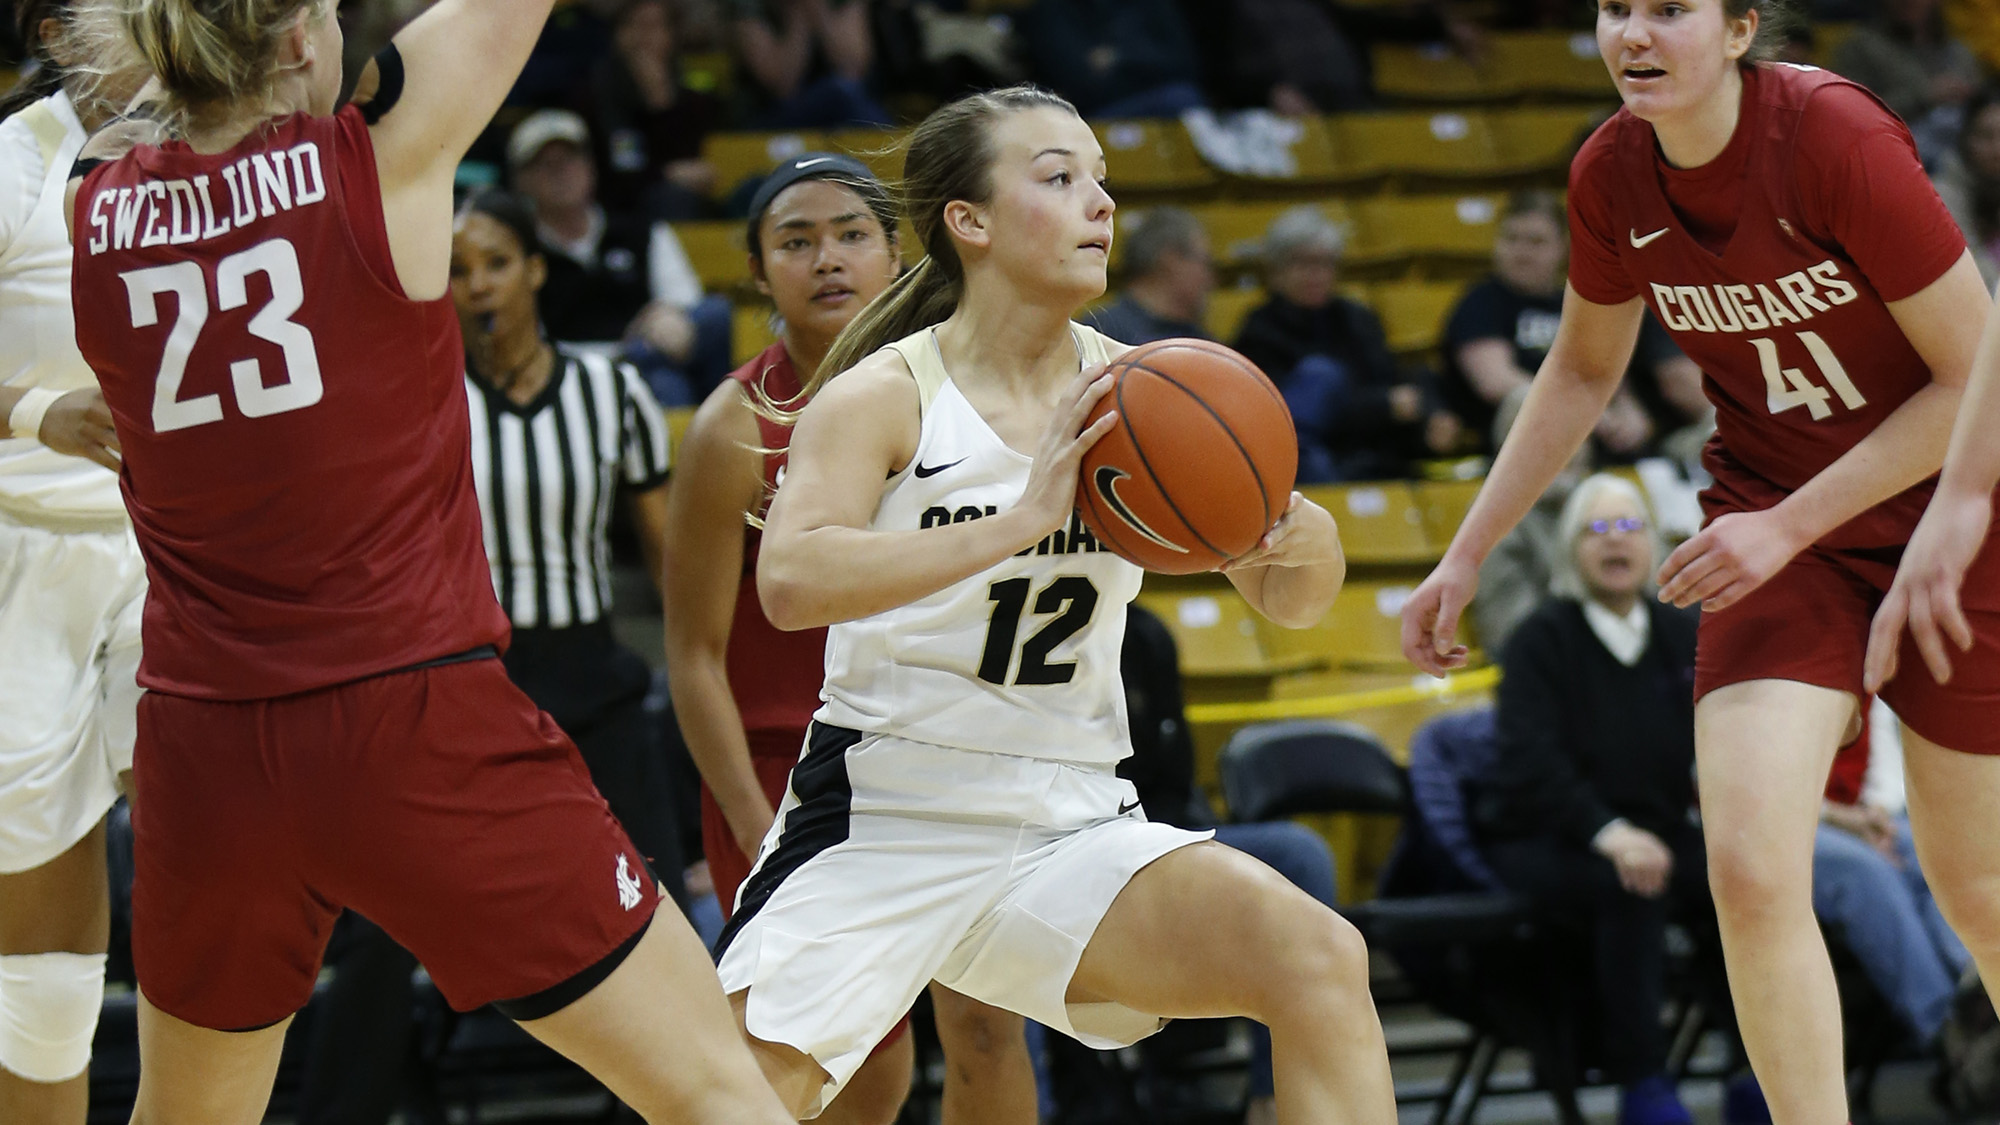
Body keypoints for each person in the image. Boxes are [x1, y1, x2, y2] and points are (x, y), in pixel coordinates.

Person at [61, 0, 796, 1119]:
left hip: (204, 745)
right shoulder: (377, 162)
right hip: (408, 717)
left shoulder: (92, 203)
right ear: (305, 39)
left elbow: (171, 134)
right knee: (711, 1093)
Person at [716, 84, 1394, 1123]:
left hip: (1066, 817)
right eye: (1059, 178)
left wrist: (1299, 535)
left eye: (1102, 180)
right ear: (969, 222)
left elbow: (1292, 602)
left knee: (1316, 958)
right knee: (730, 1101)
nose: (1099, 204)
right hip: (888, 814)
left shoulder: (1146, 393)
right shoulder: (886, 395)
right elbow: (791, 582)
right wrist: (1017, 520)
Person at [1401, 0, 2000, 1120]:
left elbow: (1972, 378)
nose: (1633, 33)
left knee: (1977, 892)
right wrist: (1466, 552)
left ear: (1737, 29)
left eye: (1668, 9)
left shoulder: (1829, 134)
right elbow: (1580, 374)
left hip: (1946, 524)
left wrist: (1786, 523)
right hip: (1776, 537)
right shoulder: (1609, 174)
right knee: (1748, 870)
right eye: (1613, 8)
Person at [663, 150, 1039, 1125]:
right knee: (853, 1068)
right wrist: (754, 827)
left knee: (990, 1031)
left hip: (943, 749)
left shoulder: (961, 396)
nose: (825, 258)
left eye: (849, 234)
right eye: (795, 241)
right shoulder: (732, 427)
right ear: (758, 273)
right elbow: (694, 658)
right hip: (787, 771)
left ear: (895, 254)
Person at [0, 2, 144, 1120]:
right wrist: (41, 410)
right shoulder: (10, 163)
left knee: (223, 848)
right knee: (41, 905)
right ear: (59, 29)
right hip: (22, 553)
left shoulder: (225, 154)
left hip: (182, 552)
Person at [1474, 474, 1708, 1125]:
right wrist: (1609, 831)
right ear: (1569, 547)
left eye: (1629, 526)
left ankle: (1755, 1071)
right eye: (1596, 529)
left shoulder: (1678, 631)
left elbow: (1713, 744)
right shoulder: (1540, 639)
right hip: (1548, 835)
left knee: (1739, 877)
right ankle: (1644, 1083)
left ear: (1652, 542)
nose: (1615, 543)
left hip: (1658, 824)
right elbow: (1531, 762)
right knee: (1632, 881)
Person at [1440, 190, 1706, 461]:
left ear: (1562, 247)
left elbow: (1606, 369)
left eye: (1536, 242)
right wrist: (1581, 410)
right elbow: (1496, 382)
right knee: (1525, 403)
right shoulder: (1480, 302)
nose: (1522, 252)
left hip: (1594, 436)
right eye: (1512, 239)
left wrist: (1629, 412)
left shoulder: (1578, 301)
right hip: (1521, 447)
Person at [507, 108, 732, 405]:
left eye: (570, 159)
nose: (561, 172)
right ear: (521, 181)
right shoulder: (518, 253)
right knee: (667, 385)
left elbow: (684, 304)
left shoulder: (642, 231)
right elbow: (531, 345)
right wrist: (628, 343)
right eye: (545, 165)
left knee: (715, 314)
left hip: (653, 354)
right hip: (575, 377)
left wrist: (663, 314)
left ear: (591, 166)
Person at [1233, 205, 1457, 482]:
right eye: (1303, 263)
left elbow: (1394, 379)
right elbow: (1285, 419)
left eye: (1325, 263)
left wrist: (1433, 411)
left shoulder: (1356, 318)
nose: (1316, 275)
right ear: (1276, 271)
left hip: (1376, 458)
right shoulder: (1260, 330)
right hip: (1308, 470)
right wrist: (1383, 408)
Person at [580, 0, 720, 223]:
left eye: (654, 26)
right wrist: (665, 174)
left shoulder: (690, 98)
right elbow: (618, 173)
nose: (643, 37)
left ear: (671, 36)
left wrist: (661, 103)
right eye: (635, 25)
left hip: (684, 199)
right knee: (672, 199)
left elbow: (693, 161)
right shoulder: (597, 96)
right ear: (618, 35)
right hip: (622, 208)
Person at [1015, 0, 1208, 120]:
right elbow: (1079, 82)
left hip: (1171, 98)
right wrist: (1145, 60)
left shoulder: (1150, 4)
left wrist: (1120, 56)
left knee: (1183, 99)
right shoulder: (1047, 11)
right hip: (1099, 114)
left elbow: (1184, 62)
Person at [729, 0, 892, 129]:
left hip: (843, 109)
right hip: (771, 116)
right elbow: (784, 86)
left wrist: (819, 11)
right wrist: (798, 16)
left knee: (844, 92)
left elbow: (853, 68)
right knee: (839, 92)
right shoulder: (749, 7)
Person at [1087, 205, 1213, 346]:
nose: (1210, 278)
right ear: (1170, 259)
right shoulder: (1100, 332)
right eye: (1204, 262)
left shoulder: (1200, 338)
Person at [1930, 84, 2000, 289]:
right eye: (1986, 136)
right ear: (1966, 141)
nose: (1997, 149)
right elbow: (1970, 272)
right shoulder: (1942, 195)